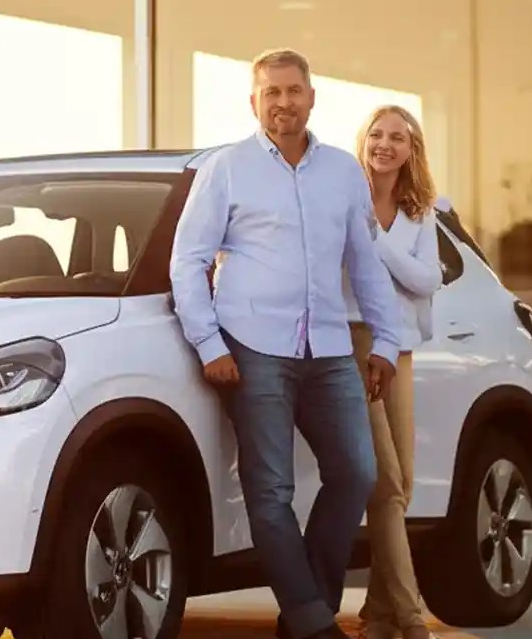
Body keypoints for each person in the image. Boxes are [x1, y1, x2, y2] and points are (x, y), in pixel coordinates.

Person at [169, 48, 404, 639]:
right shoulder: (226, 168)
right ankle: (312, 622)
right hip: (252, 348)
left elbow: (365, 263)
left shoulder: (342, 172)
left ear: (312, 97)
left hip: (327, 348)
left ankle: (307, 611)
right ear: (254, 102)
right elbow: (187, 261)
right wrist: (209, 344)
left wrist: (385, 340)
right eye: (271, 92)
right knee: (269, 490)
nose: (283, 103)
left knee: (356, 472)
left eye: (293, 90)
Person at [343, 106, 442, 639]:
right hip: (357, 343)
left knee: (399, 483)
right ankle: (409, 615)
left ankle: (377, 616)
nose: (385, 145)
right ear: (364, 143)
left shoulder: (419, 212)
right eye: (376, 135)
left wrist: (378, 245)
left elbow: (427, 280)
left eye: (397, 138)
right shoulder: (344, 197)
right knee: (386, 485)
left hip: (400, 349)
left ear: (411, 150)